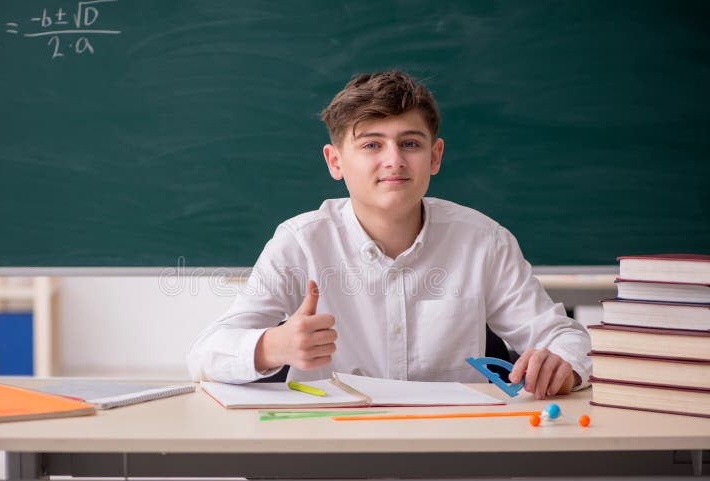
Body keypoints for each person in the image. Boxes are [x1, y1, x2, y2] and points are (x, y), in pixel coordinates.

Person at [187, 70, 591, 399]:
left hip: (454, 447)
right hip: (333, 446)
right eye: (371, 145)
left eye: (410, 143)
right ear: (336, 162)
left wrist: (564, 365)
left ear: (435, 157)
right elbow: (205, 353)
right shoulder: (301, 242)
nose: (394, 160)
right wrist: (271, 346)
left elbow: (564, 337)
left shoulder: (483, 241)